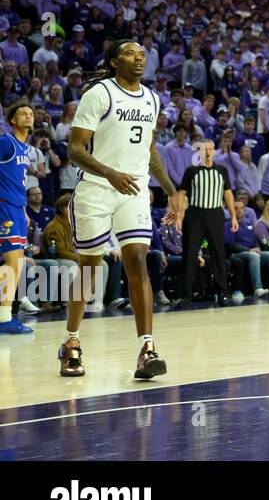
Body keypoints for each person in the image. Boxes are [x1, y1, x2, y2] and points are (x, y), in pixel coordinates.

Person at [61, 40, 182, 379]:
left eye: (142, 54)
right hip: (97, 188)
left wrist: (171, 190)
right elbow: (75, 149)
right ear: (114, 61)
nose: (138, 58)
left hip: (134, 190)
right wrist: (110, 174)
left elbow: (150, 151)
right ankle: (71, 342)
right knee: (89, 268)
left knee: (138, 262)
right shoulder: (99, 94)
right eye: (130, 54)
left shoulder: (152, 98)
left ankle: (147, 348)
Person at [177, 140, 234, 306]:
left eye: (210, 149)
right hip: (195, 214)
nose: (208, 152)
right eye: (204, 149)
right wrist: (179, 215)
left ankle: (222, 292)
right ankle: (186, 294)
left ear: (214, 151)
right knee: (189, 253)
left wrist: (234, 216)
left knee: (218, 253)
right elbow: (181, 193)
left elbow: (228, 194)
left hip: (215, 214)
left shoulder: (222, 170)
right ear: (199, 153)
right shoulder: (191, 171)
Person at [0, 101, 36, 334]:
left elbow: (17, 182)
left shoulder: (26, 149)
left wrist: (23, 210)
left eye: (31, 113)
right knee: (13, 263)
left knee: (18, 262)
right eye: (23, 113)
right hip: (4, 207)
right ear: (12, 120)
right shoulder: (6, 142)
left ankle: (5, 316)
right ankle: (4, 319)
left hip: (17, 209)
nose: (28, 116)